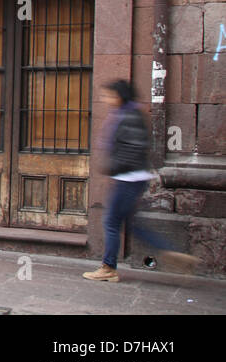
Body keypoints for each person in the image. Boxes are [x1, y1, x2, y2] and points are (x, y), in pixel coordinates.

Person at [83, 79, 200, 281]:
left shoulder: (128, 116)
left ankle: (108, 268)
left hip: (128, 178)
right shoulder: (130, 114)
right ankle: (171, 252)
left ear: (119, 96)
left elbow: (131, 150)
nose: (106, 99)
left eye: (108, 95)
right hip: (132, 178)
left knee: (111, 222)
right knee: (134, 225)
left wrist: (113, 168)